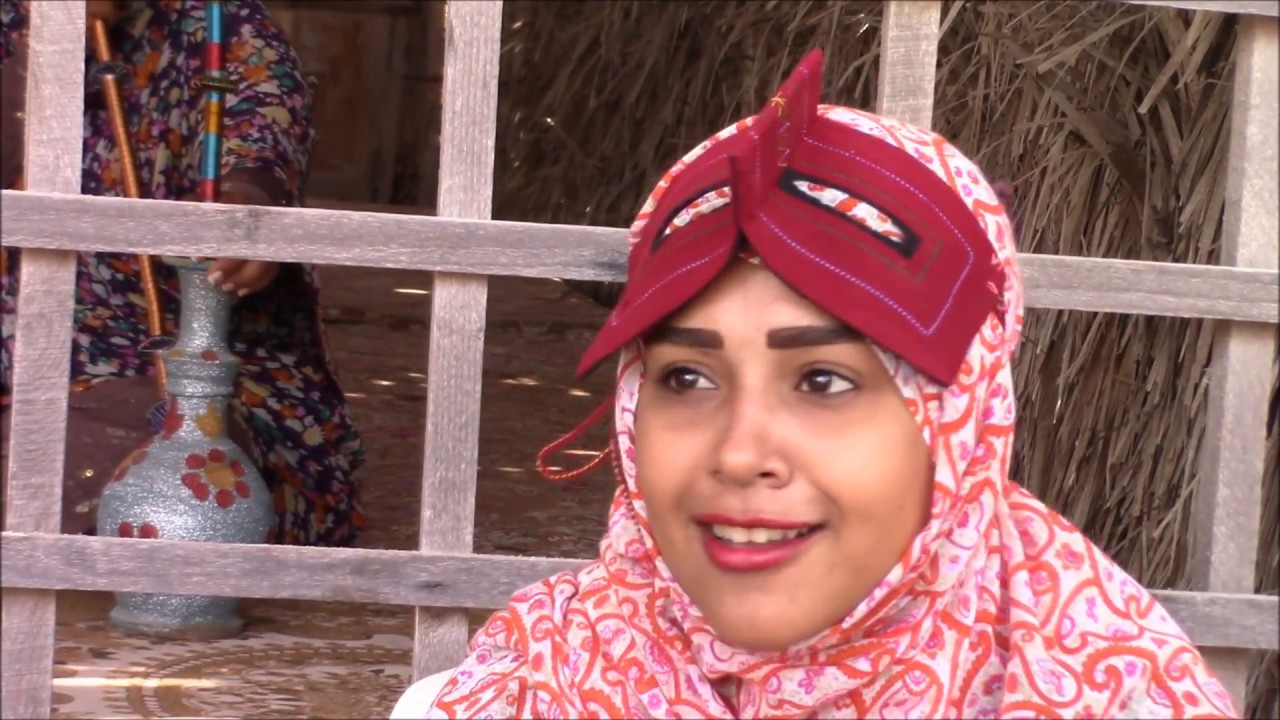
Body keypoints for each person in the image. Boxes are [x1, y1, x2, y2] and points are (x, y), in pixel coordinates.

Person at [392, 50, 1235, 718]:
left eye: (824, 380)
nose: (739, 452)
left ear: (959, 422)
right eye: (685, 375)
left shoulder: (1109, 688)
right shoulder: (525, 687)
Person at [0, 0, 366, 547]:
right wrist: (45, 46)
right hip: (19, 361)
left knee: (157, 484)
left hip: (164, 374)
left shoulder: (219, 28)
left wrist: (246, 216)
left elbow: (261, 144)